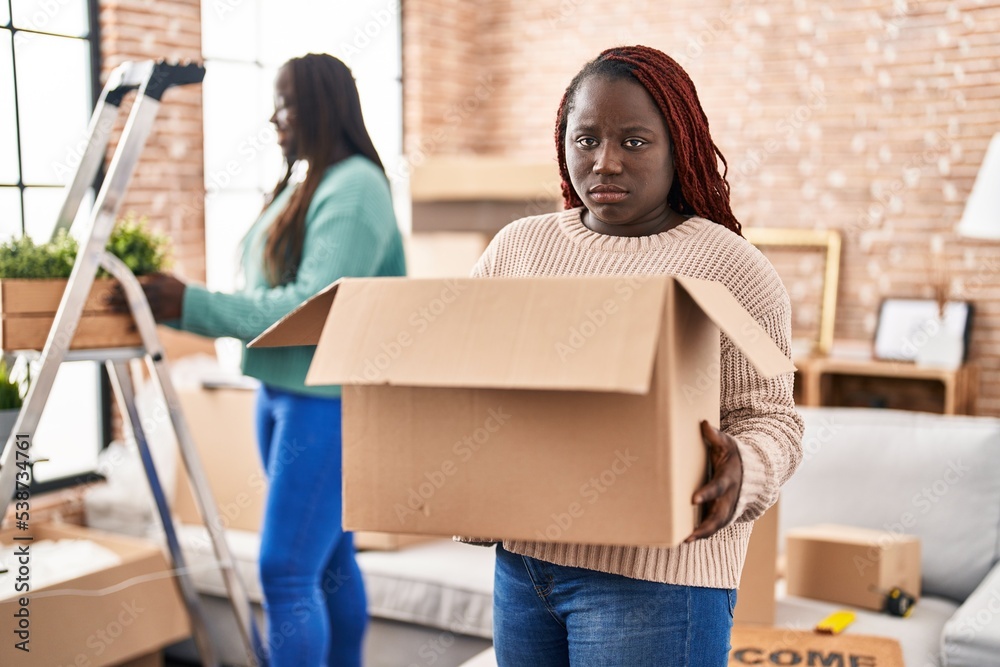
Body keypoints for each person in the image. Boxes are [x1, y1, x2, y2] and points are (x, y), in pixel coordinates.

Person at [465, 45, 804, 665]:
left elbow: (774, 418)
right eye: (586, 139)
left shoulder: (729, 267)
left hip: (659, 580)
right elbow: (467, 380)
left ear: (680, 146)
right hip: (524, 567)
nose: (606, 162)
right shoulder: (517, 249)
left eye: (635, 142)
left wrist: (743, 468)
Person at [143, 53, 406, 666]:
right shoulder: (305, 181)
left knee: (285, 570)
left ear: (321, 105)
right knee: (331, 562)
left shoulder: (357, 187)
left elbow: (305, 309)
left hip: (329, 404)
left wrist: (189, 302)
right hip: (284, 395)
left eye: (285, 102)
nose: (273, 116)